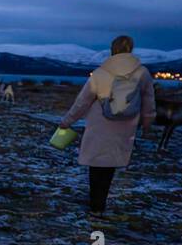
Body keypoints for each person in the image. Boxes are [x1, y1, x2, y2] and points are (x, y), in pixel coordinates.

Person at [57, 35, 155, 215]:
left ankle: (95, 205)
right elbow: (149, 101)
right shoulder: (142, 73)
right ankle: (100, 203)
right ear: (130, 49)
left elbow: (82, 103)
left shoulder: (100, 73)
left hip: (99, 125)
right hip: (126, 126)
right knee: (110, 165)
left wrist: (66, 122)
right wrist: (147, 122)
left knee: (96, 165)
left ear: (112, 50)